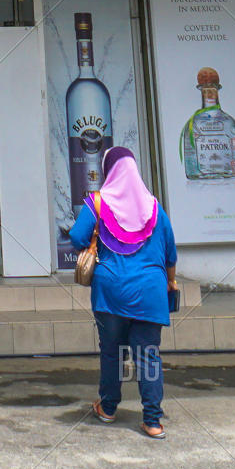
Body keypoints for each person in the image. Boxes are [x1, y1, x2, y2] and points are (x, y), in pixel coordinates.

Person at [68, 146, 178, 439]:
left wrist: (95, 244)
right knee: (149, 356)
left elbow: (77, 236)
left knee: (112, 351)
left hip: (111, 291)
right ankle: (153, 421)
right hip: (151, 293)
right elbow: (170, 254)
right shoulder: (154, 207)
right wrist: (171, 282)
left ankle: (108, 408)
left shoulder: (98, 203)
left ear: (108, 171)